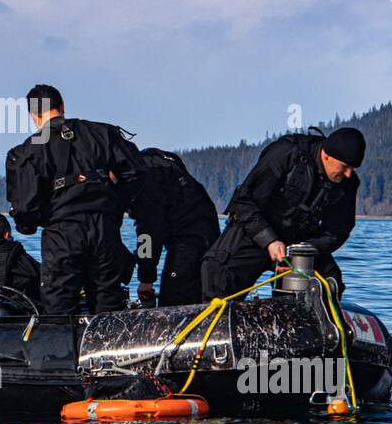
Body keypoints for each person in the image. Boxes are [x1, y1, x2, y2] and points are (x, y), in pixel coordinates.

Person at [6, 83, 146, 315]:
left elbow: (24, 209)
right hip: (104, 228)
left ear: (33, 115)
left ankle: (62, 338)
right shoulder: (101, 133)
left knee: (59, 305)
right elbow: (136, 173)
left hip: (63, 232)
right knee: (108, 302)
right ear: (62, 107)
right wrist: (114, 205)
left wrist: (34, 221)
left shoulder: (28, 151)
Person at [200, 126, 365, 301]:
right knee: (218, 274)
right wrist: (269, 240)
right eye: (345, 166)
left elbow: (337, 231)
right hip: (254, 232)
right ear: (326, 155)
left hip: (300, 244)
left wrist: (306, 249)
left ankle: (302, 311)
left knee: (331, 281)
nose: (349, 174)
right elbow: (243, 202)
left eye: (353, 168)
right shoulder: (285, 155)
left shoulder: (347, 183)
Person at [129, 147, 221, 307]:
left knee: (174, 296)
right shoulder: (162, 167)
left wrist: (146, 279)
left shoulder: (147, 177)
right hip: (206, 234)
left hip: (190, 238)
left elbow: (148, 233)